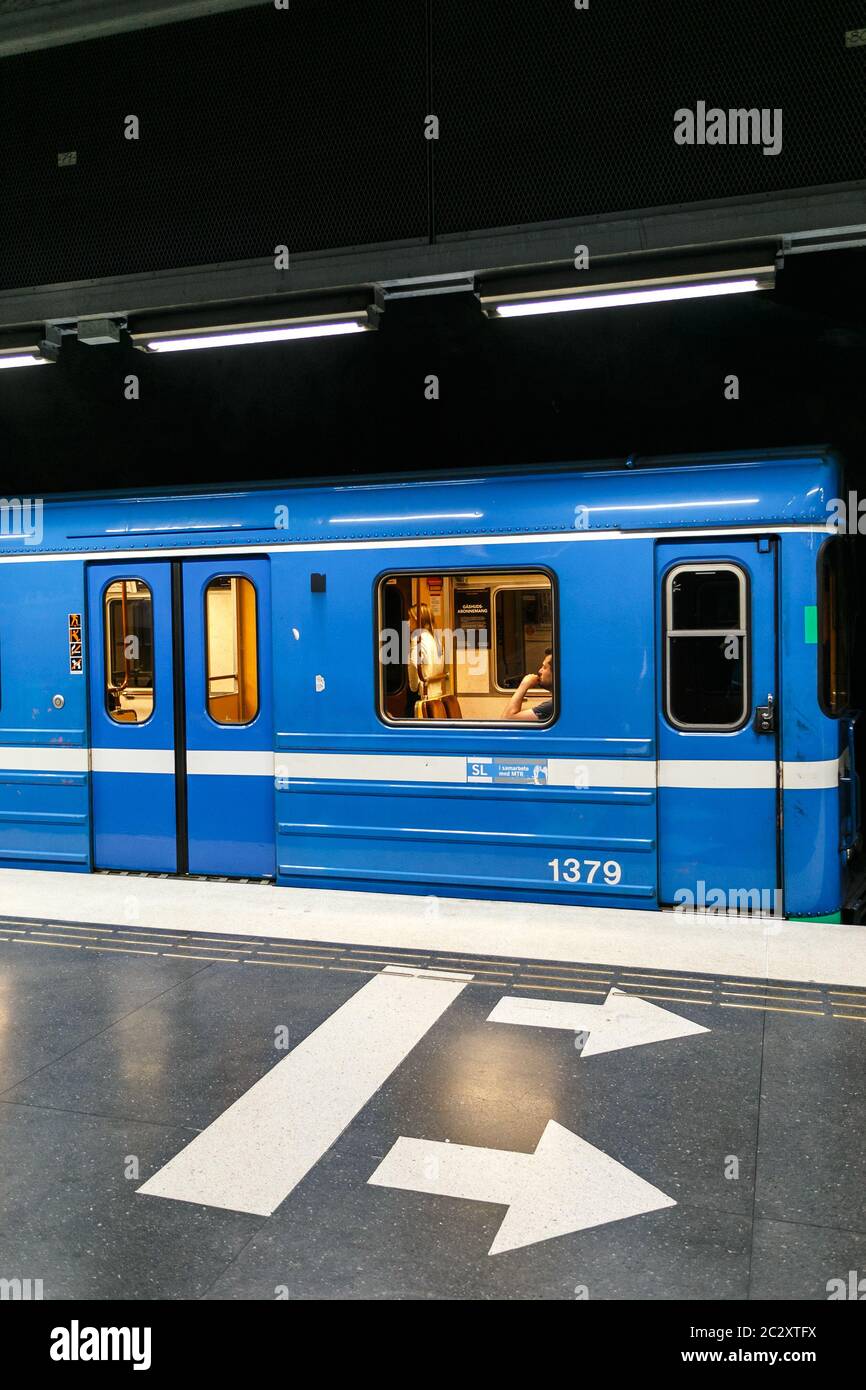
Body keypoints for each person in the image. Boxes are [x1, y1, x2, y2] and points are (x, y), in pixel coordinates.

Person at [501, 649, 554, 721]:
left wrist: (524, 685)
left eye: (544, 667)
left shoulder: (552, 706)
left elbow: (507, 720)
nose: (539, 671)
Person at [408, 603, 446, 701]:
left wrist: (413, 687)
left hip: (423, 692)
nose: (408, 622)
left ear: (418, 620)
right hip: (436, 691)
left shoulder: (418, 637)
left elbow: (413, 663)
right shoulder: (435, 638)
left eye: (410, 618)